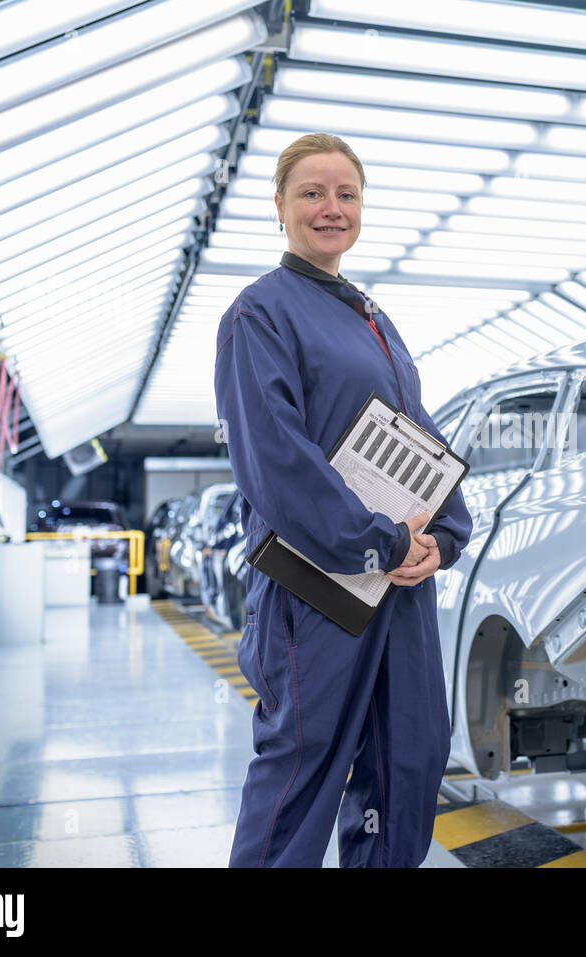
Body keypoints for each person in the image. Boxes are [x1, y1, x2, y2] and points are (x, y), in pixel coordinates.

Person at [213, 132, 473, 867]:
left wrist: (443, 538)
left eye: (346, 193)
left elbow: (417, 433)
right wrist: (383, 541)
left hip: (397, 587)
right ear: (280, 206)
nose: (332, 208)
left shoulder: (371, 317)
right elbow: (276, 459)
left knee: (411, 758)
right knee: (304, 768)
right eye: (312, 193)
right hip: (315, 587)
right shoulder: (258, 314)